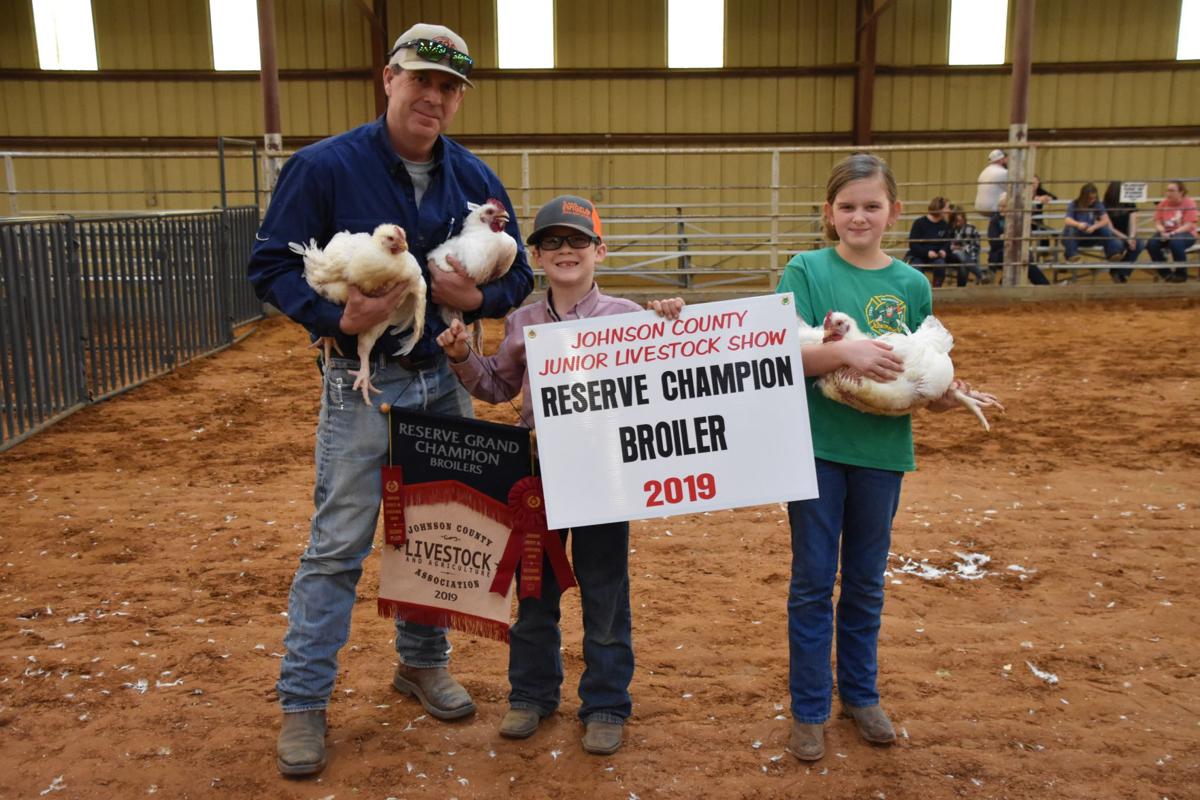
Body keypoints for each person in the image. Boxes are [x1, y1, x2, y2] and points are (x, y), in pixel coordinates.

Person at [246, 23, 534, 778]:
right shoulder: (322, 167)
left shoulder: (475, 178)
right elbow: (270, 263)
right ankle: (304, 701)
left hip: (445, 380)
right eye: (421, 81)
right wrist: (330, 318)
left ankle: (420, 662)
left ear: (458, 100)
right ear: (389, 79)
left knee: (438, 530)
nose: (432, 98)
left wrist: (483, 295)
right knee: (339, 544)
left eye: (448, 89)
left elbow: (521, 274)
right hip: (361, 383)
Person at [436, 195, 683, 756]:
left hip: (603, 475)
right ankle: (531, 695)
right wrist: (460, 356)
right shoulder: (522, 319)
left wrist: (669, 324)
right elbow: (497, 387)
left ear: (599, 250)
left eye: (577, 241)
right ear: (538, 257)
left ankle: (605, 703)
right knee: (535, 590)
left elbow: (665, 379)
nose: (565, 251)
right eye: (552, 243)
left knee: (604, 592)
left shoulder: (627, 318)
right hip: (538, 475)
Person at [774, 153, 978, 763]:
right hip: (816, 448)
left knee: (864, 582)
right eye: (847, 206)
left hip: (883, 453)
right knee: (813, 581)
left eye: (871, 205)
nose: (859, 216)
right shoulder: (806, 270)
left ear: (893, 211)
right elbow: (781, 355)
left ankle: (860, 695)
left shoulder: (912, 285)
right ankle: (810, 707)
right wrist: (846, 355)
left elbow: (918, 378)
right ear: (828, 213)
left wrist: (951, 395)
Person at [988, 192, 1049, 285]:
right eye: (1000, 206)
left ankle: (1044, 286)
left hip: (1017, 251)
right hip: (999, 253)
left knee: (1025, 261)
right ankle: (1044, 286)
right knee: (1020, 260)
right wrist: (1006, 239)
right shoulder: (995, 220)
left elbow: (1026, 236)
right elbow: (993, 242)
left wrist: (1004, 237)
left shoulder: (1018, 219)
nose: (1001, 209)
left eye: (1004, 206)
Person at [1147, 180, 1198, 283]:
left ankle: (1181, 274)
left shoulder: (1189, 203)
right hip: (1166, 233)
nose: (1168, 193)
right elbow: (1157, 221)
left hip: (1186, 233)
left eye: (1172, 191)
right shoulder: (1163, 204)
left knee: (1175, 242)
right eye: (1167, 190)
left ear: (1181, 192)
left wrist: (1172, 233)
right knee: (1151, 243)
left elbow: (1189, 225)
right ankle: (1165, 273)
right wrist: (1161, 231)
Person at [1062, 182, 1122, 263]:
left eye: (1094, 198)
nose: (1092, 201)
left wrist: (1094, 227)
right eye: (1089, 198)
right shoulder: (1074, 204)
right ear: (1083, 197)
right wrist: (1078, 224)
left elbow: (1105, 220)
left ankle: (1112, 254)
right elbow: (1067, 220)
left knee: (1104, 228)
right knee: (1071, 228)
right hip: (1076, 236)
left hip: (1090, 235)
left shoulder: (1097, 204)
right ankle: (1071, 255)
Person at [1101, 181, 1144, 283]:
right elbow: (1110, 228)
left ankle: (1121, 272)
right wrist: (1126, 239)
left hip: (1127, 234)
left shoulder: (1130, 203)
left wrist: (1132, 237)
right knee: (1118, 245)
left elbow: (1133, 222)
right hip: (1112, 235)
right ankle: (1117, 271)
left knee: (1139, 244)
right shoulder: (1104, 205)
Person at [906, 196, 953, 287]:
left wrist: (943, 250)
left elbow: (947, 242)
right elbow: (913, 244)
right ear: (939, 208)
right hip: (919, 255)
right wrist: (927, 253)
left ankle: (936, 289)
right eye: (947, 208)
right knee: (916, 269)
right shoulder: (919, 223)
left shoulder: (945, 225)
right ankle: (920, 291)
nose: (949, 211)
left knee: (940, 266)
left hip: (936, 257)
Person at [946, 205, 986, 286]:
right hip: (952, 257)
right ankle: (981, 275)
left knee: (963, 264)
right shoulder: (948, 229)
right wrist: (957, 248)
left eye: (960, 220)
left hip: (968, 256)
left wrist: (960, 248)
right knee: (958, 253)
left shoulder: (971, 229)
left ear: (964, 219)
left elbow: (975, 247)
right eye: (955, 221)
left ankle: (960, 289)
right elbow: (947, 245)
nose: (958, 223)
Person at [974, 148, 1008, 215]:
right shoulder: (1003, 172)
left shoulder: (983, 172)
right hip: (993, 209)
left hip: (979, 207)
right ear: (1001, 159)